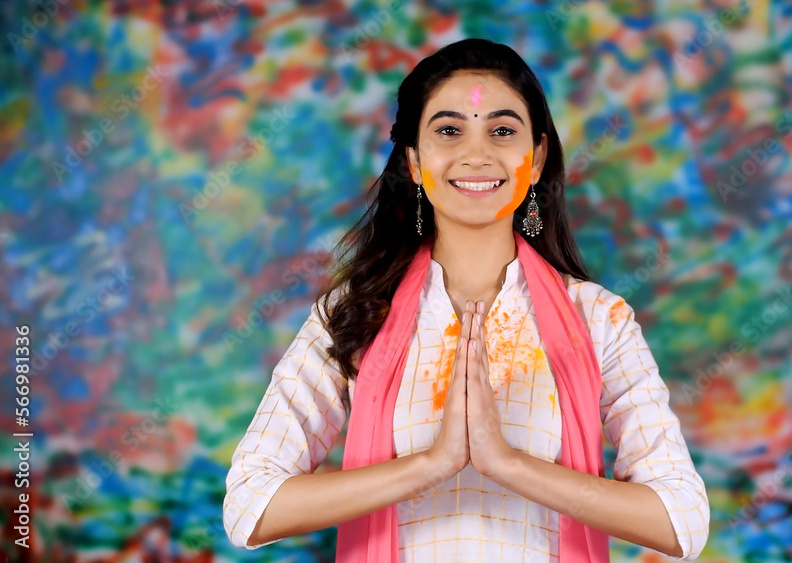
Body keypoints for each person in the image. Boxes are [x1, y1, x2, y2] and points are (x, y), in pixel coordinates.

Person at [223, 37, 709, 562]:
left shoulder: (597, 318)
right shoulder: (354, 313)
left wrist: (508, 464)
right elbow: (251, 507)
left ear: (537, 157)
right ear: (414, 160)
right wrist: (432, 464)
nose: (476, 155)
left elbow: (681, 521)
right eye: (449, 130)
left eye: (502, 131)